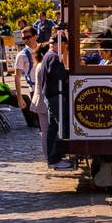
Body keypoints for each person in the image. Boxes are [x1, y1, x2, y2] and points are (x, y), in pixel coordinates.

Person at [42, 32, 70, 170]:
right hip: (55, 96)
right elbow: (56, 74)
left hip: (52, 96)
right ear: (61, 44)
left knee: (53, 127)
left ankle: (53, 158)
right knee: (60, 127)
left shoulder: (49, 55)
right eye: (65, 45)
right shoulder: (53, 57)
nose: (66, 48)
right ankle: (55, 158)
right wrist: (67, 74)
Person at [13, 26, 40, 128]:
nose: (26, 40)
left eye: (28, 37)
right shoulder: (21, 55)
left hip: (47, 87)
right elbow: (17, 77)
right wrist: (20, 98)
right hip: (34, 89)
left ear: (35, 36)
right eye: (23, 38)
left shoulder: (44, 49)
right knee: (39, 122)